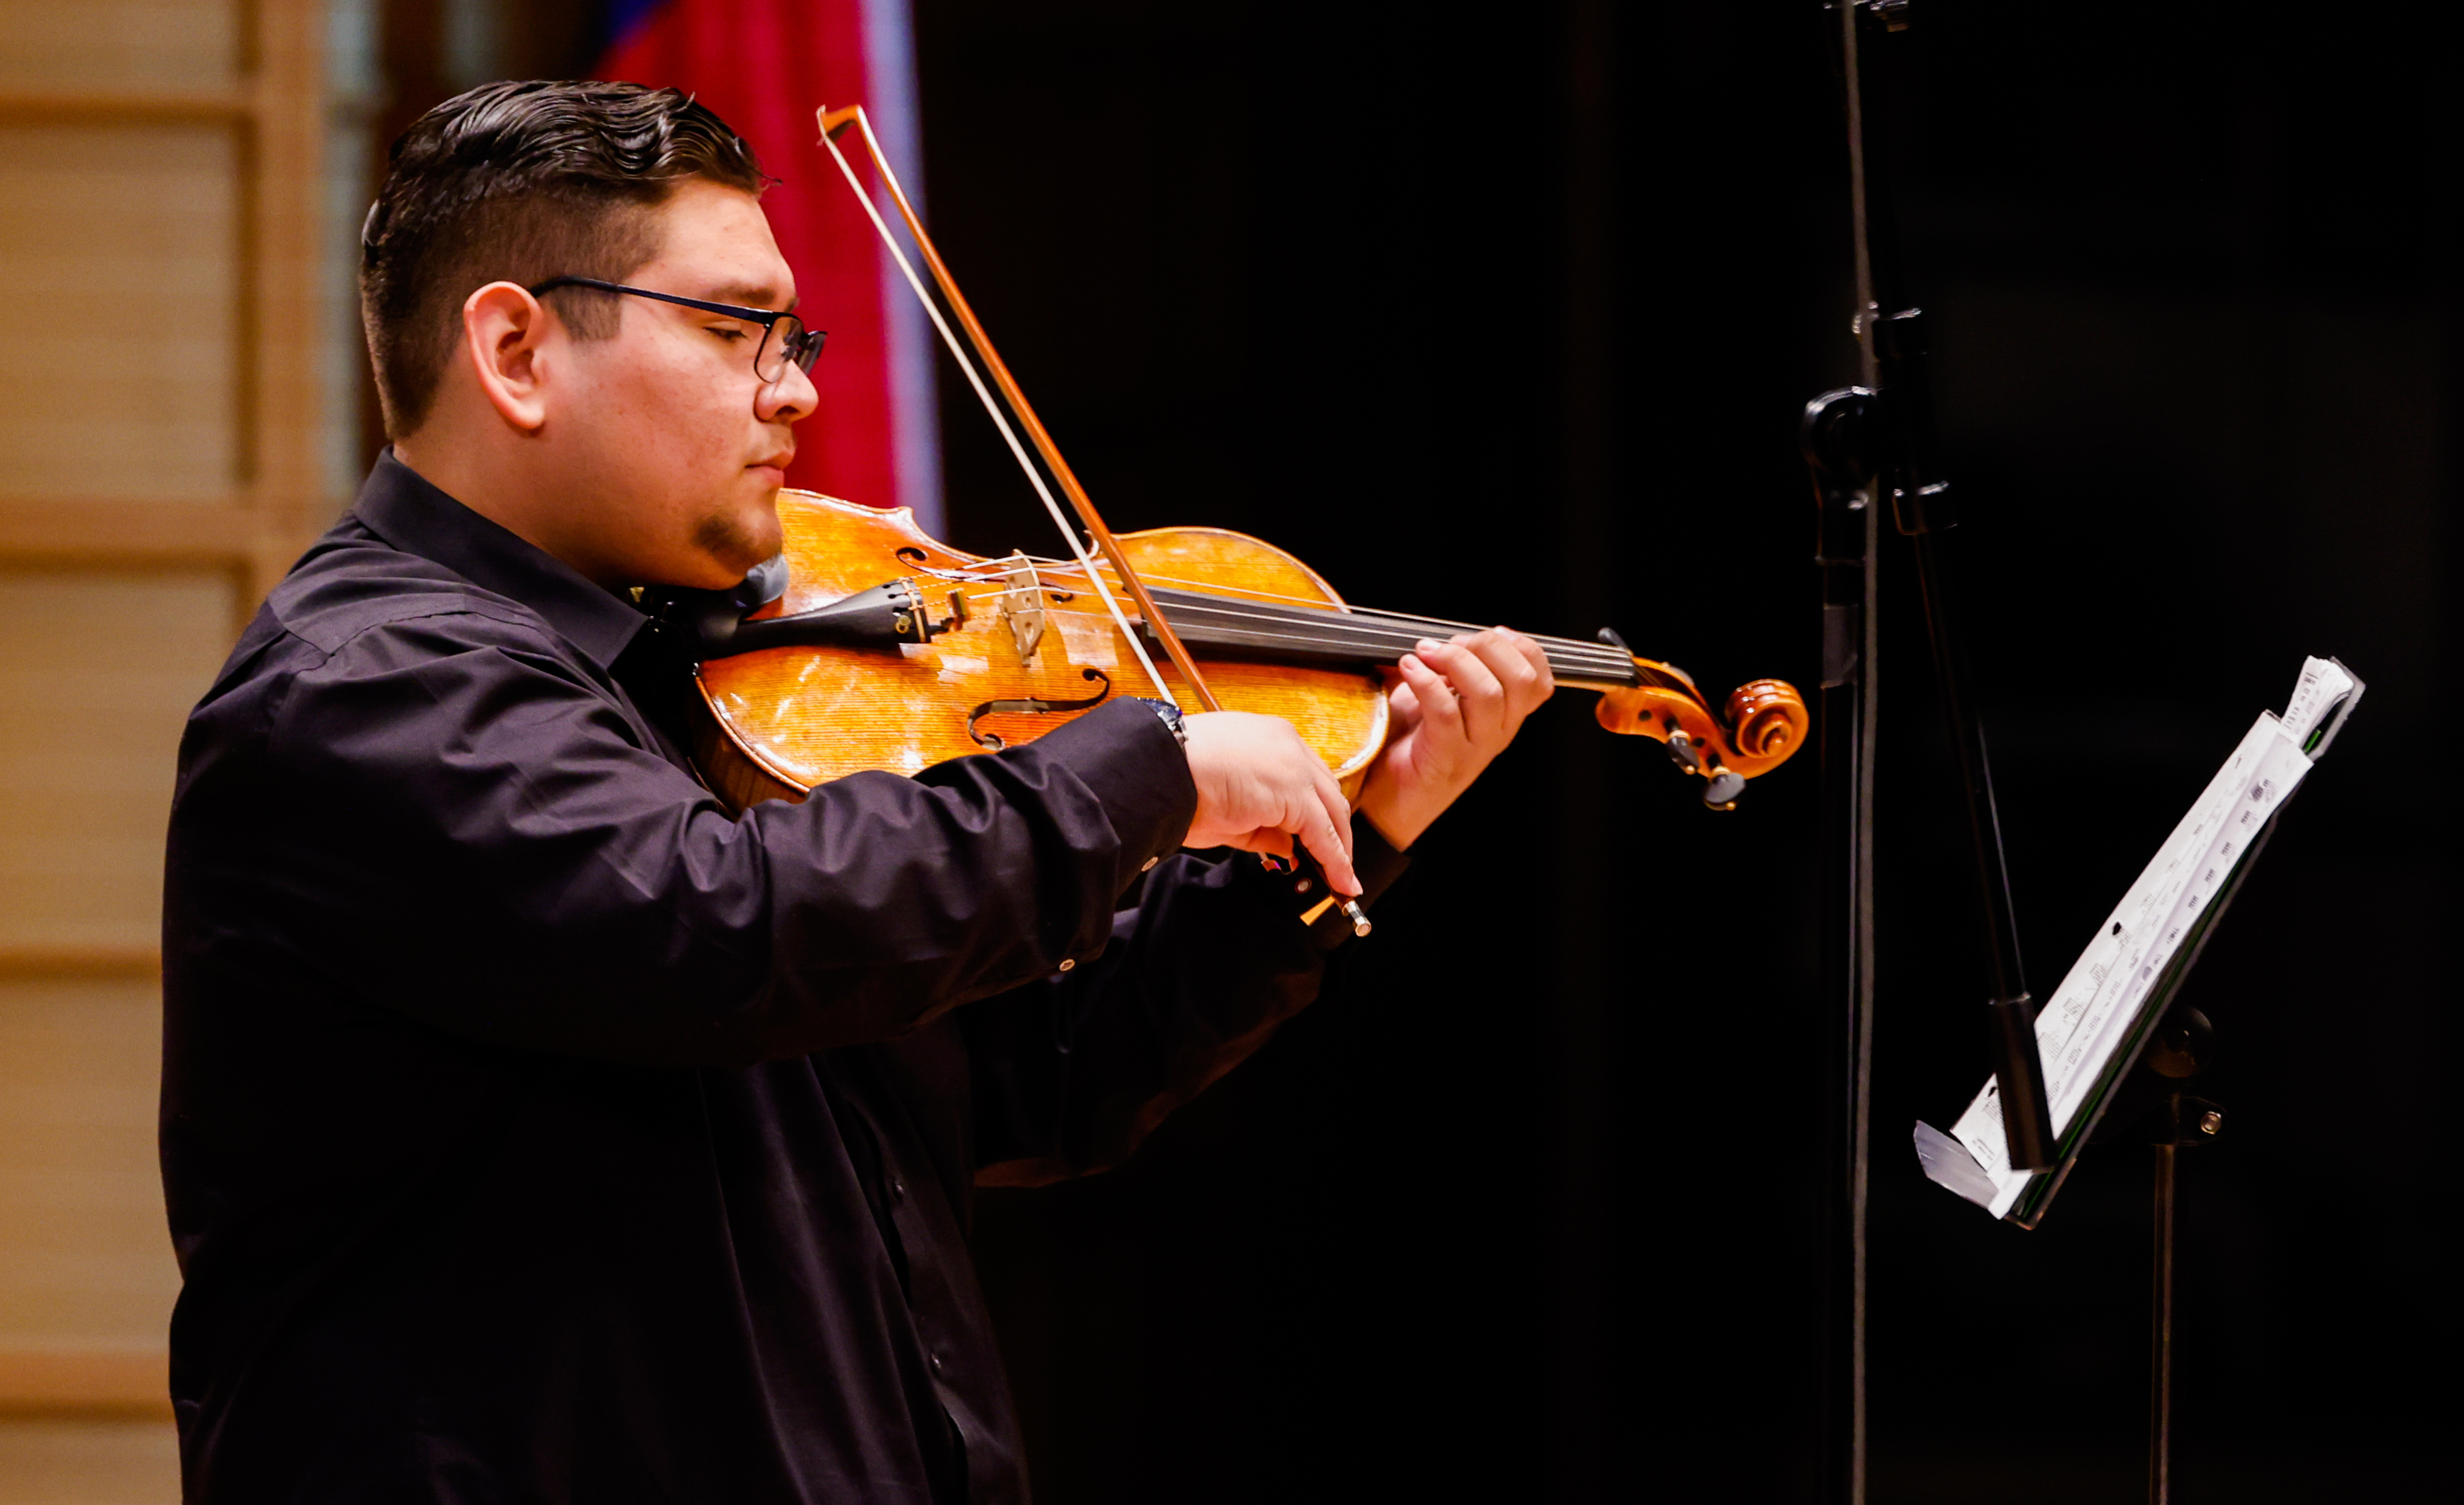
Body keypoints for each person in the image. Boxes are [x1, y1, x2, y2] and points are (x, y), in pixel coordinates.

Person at [160, 80, 1551, 1504]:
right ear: (516, 350)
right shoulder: (368, 683)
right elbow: (723, 929)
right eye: (731, 329)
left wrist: (1344, 833)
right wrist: (1148, 761)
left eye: (797, 336)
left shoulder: (686, 677)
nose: (798, 389)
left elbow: (1029, 1075)